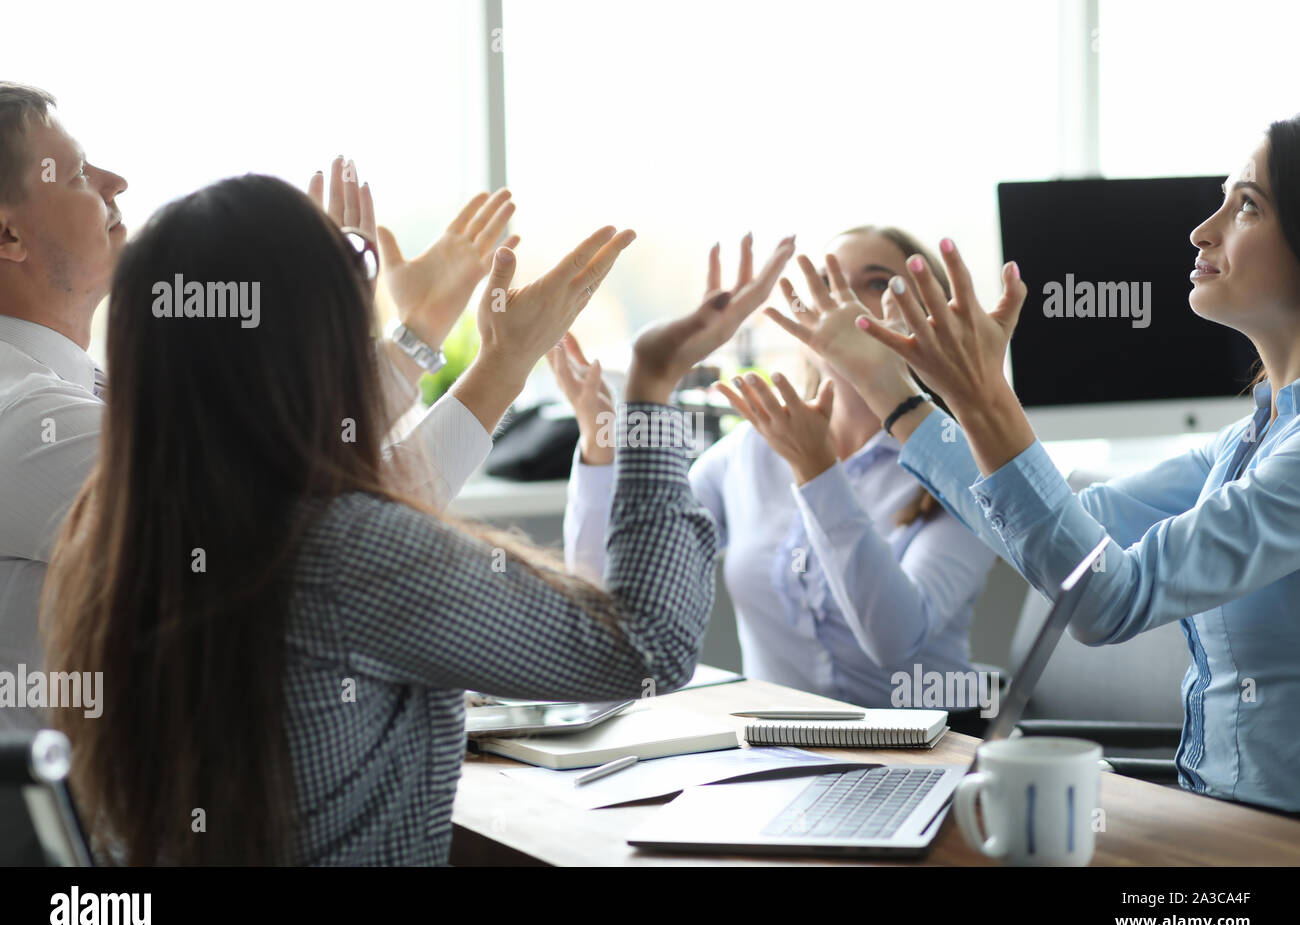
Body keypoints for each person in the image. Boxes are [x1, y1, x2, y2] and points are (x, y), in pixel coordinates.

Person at [40, 171, 796, 864]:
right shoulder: (340, 551)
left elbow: (325, 456)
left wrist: (480, 351)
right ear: (315, 339)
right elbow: (643, 651)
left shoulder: (104, 531)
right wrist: (654, 391)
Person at [768, 116, 1300, 815]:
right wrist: (893, 393)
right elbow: (1070, 523)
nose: (1204, 230)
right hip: (1216, 810)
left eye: (1247, 205)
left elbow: (1109, 596)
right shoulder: (1249, 439)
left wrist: (982, 395)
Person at [0, 83, 512, 729]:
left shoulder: (73, 391)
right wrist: (473, 359)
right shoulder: (25, 420)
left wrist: (433, 338)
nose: (115, 181)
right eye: (76, 173)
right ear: (7, 233)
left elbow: (310, 483)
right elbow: (318, 535)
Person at [552, 228, 996, 715]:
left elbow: (895, 642)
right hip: (776, 757)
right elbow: (612, 600)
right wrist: (603, 448)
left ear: (925, 317)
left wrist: (817, 472)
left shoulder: (964, 464)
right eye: (824, 282)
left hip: (927, 751)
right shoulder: (749, 452)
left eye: (874, 282)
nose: (839, 300)